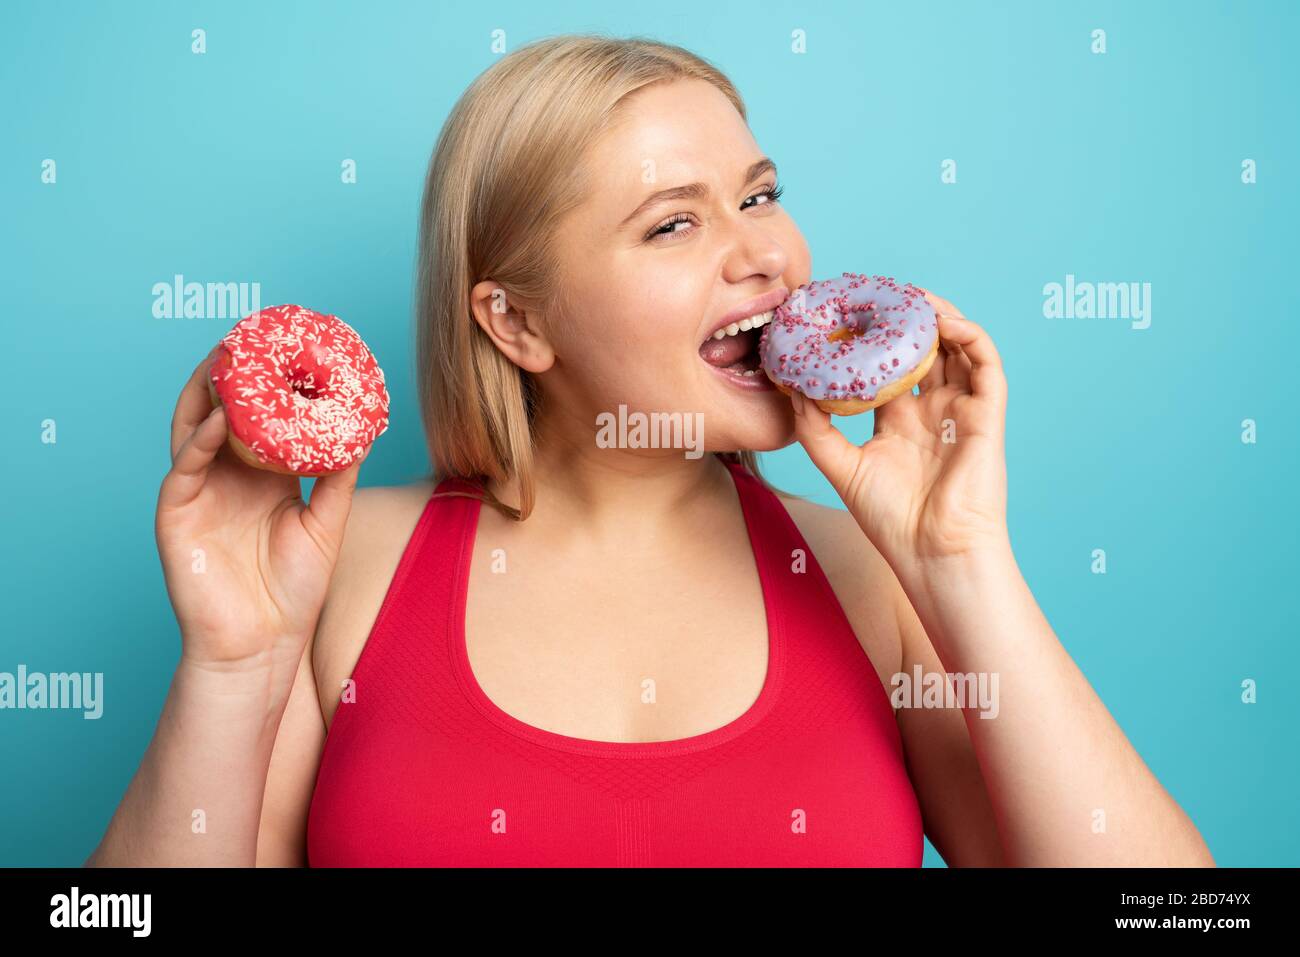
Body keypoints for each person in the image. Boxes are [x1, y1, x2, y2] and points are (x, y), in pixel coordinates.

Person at [86, 34, 1214, 867]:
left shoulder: (873, 579)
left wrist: (963, 561)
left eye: (759, 195)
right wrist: (230, 669)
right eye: (674, 223)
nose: (764, 254)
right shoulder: (334, 573)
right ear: (515, 323)